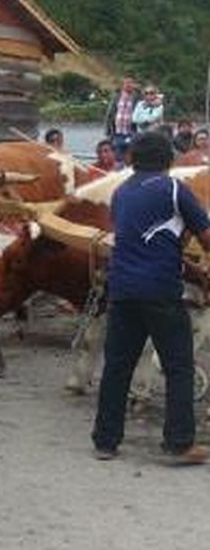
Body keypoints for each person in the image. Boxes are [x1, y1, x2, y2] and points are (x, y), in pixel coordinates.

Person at [92, 131, 210, 464]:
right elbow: (205, 235)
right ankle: (179, 443)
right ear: (169, 161)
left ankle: (105, 441)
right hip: (160, 292)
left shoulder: (121, 192)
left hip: (123, 290)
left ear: (131, 159)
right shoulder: (174, 189)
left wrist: (186, 264)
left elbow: (141, 243)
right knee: (179, 366)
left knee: (117, 366)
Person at [104, 76, 139, 160]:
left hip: (131, 132)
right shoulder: (116, 97)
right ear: (123, 85)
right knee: (117, 156)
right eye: (126, 83)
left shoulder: (137, 97)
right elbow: (110, 114)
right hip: (117, 132)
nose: (128, 85)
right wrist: (108, 130)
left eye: (130, 83)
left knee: (130, 155)